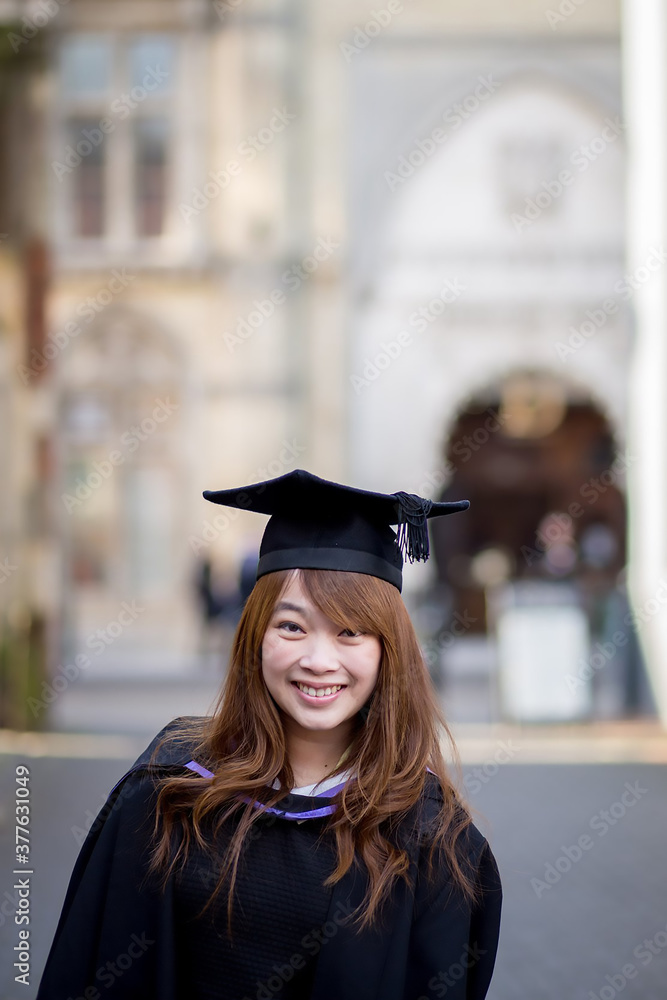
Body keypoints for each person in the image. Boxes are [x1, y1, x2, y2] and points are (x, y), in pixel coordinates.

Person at [36, 469, 502, 1000]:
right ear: (255, 637)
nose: (319, 660)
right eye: (292, 626)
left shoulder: (432, 838)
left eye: (350, 631)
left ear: (387, 651)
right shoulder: (168, 794)